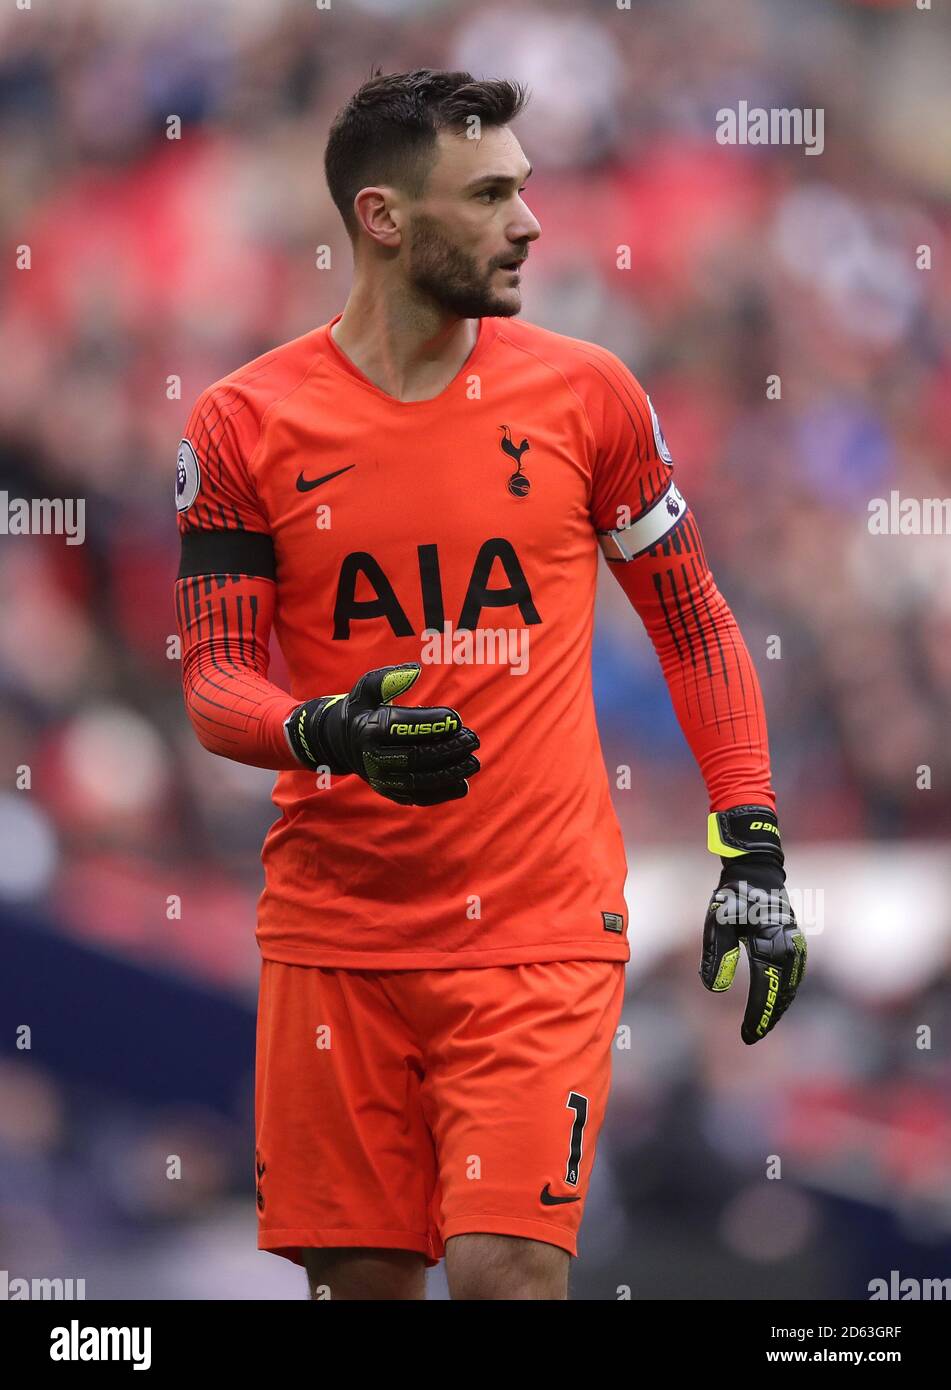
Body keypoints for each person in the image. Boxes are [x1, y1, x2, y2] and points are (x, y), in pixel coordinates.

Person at [173, 68, 806, 1301]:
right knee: (364, 1286)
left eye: (525, 187)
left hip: (538, 930)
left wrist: (757, 846)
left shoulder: (589, 397)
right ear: (384, 218)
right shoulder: (241, 427)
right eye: (491, 194)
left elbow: (694, 622)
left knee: (506, 1272)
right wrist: (328, 733)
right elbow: (216, 681)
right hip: (336, 933)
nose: (529, 223)